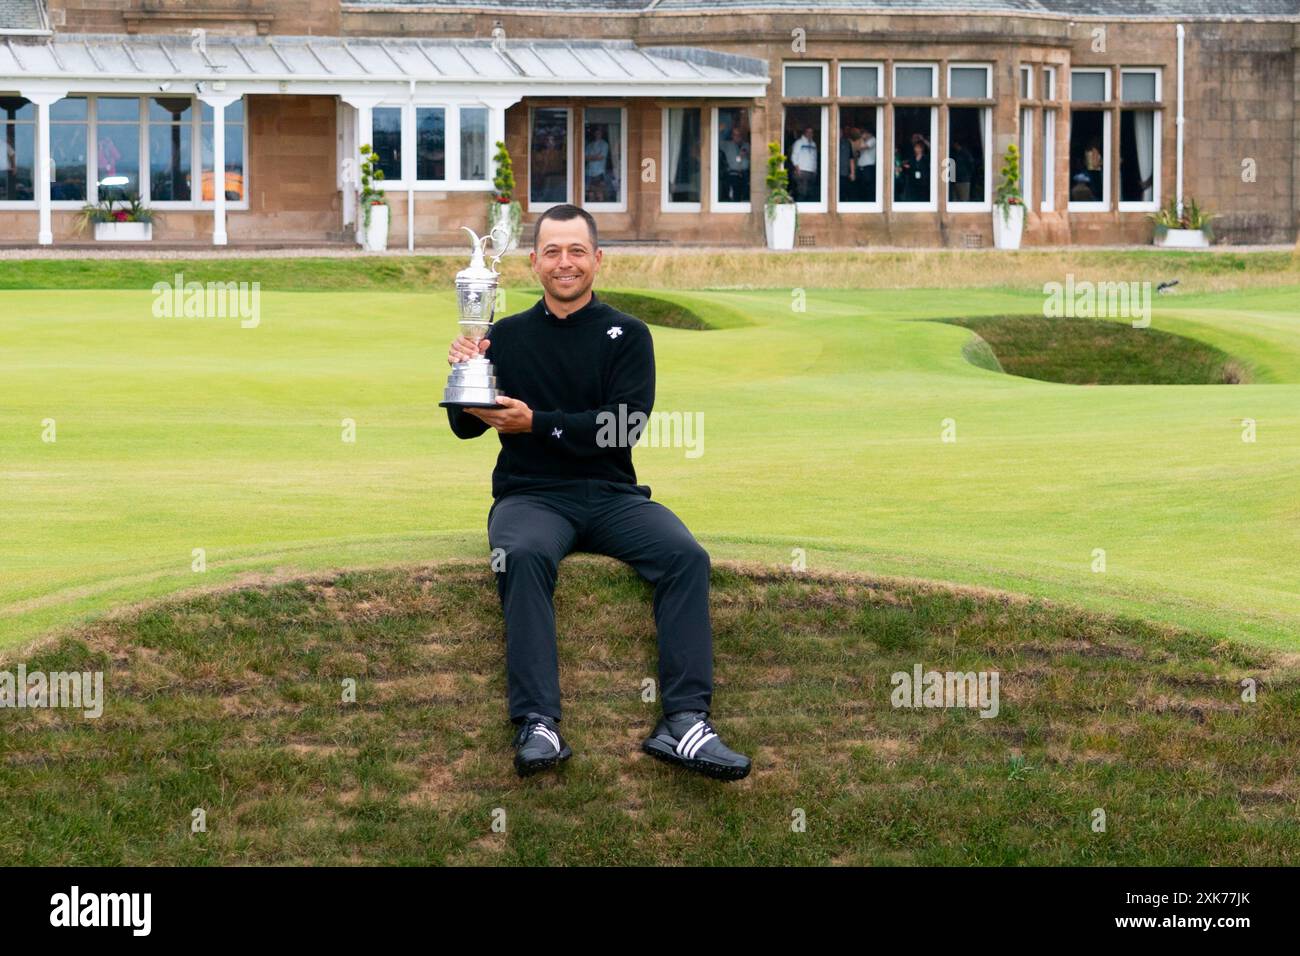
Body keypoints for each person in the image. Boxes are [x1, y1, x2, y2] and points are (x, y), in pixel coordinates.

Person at [445, 204, 752, 782]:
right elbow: (465, 427)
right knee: (525, 555)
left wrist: (537, 422)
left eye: (577, 251)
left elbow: (622, 427)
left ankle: (684, 722)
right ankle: (538, 722)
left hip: (613, 496)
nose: (566, 263)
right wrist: (465, 375)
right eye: (553, 252)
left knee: (686, 556)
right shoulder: (504, 335)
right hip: (530, 496)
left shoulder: (627, 335)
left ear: (598, 260)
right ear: (534, 263)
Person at [718, 124, 750, 202]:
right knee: (735, 198)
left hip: (746, 174)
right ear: (732, 136)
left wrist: (747, 155)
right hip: (733, 175)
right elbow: (716, 142)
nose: (737, 137)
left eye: (739, 135)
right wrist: (720, 131)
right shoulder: (727, 145)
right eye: (735, 135)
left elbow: (756, 158)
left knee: (746, 197)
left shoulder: (747, 145)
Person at [790, 125, 818, 202]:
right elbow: (794, 156)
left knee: (809, 193)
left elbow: (814, 157)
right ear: (804, 133)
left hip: (811, 171)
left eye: (811, 132)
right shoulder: (799, 143)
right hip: (802, 171)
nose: (810, 134)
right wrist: (797, 168)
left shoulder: (813, 144)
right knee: (802, 192)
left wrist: (815, 170)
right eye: (808, 132)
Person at [853, 127, 876, 202]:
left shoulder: (873, 140)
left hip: (868, 167)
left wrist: (862, 139)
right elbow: (856, 148)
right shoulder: (864, 140)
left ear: (869, 133)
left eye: (864, 133)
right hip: (860, 167)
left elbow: (862, 147)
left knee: (868, 188)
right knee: (860, 187)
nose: (863, 135)